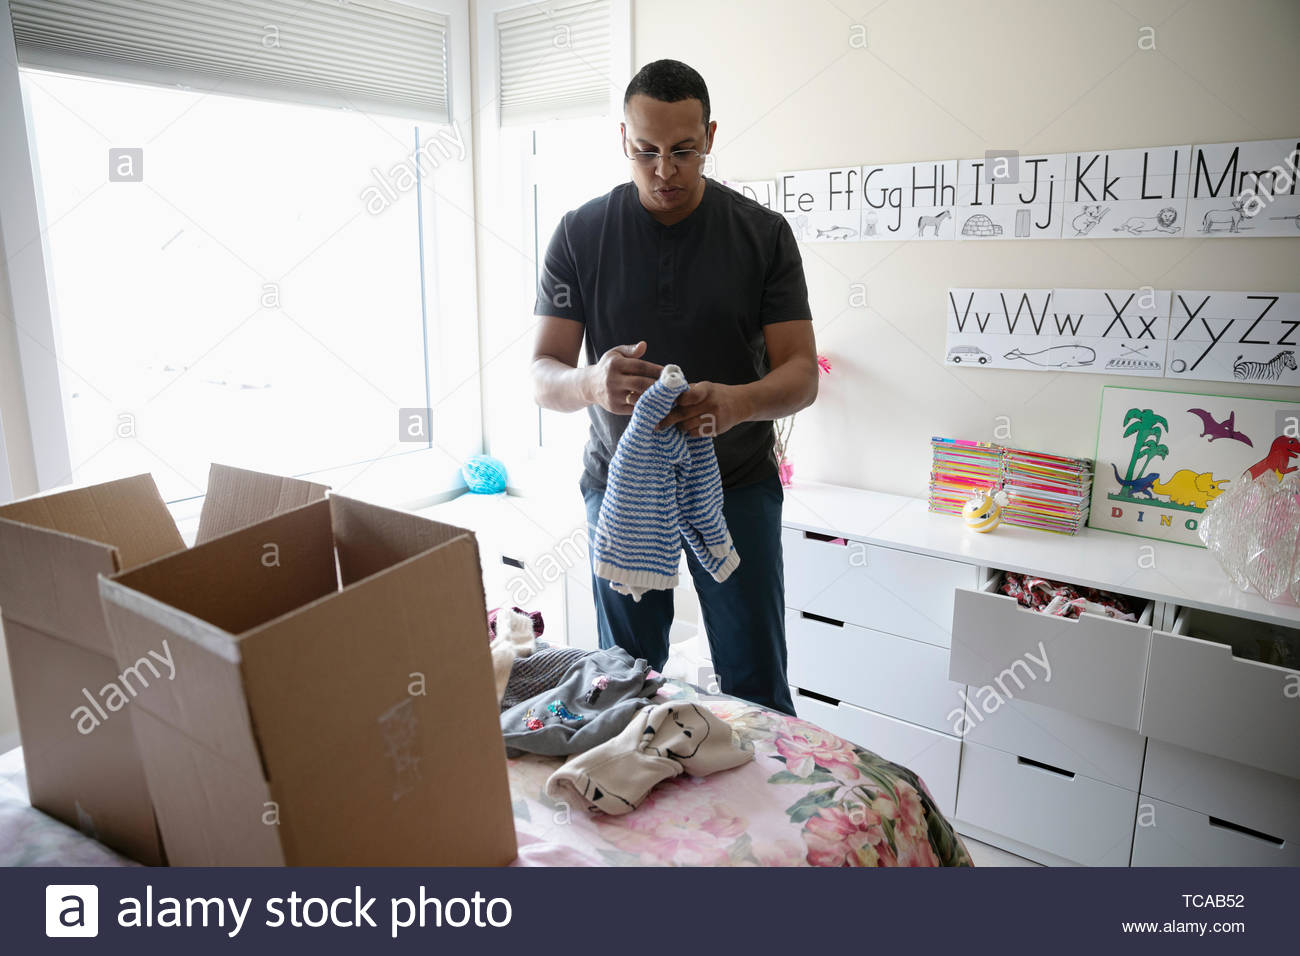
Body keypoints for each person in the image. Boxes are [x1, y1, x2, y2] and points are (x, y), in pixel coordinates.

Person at [529, 59, 817, 716]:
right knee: (624, 682)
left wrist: (740, 401)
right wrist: (590, 382)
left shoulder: (763, 236)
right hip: (623, 485)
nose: (665, 170)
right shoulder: (580, 233)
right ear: (622, 141)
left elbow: (801, 372)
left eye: (684, 151)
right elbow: (543, 374)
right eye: (646, 151)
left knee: (754, 682)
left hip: (737, 484)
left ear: (710, 136)